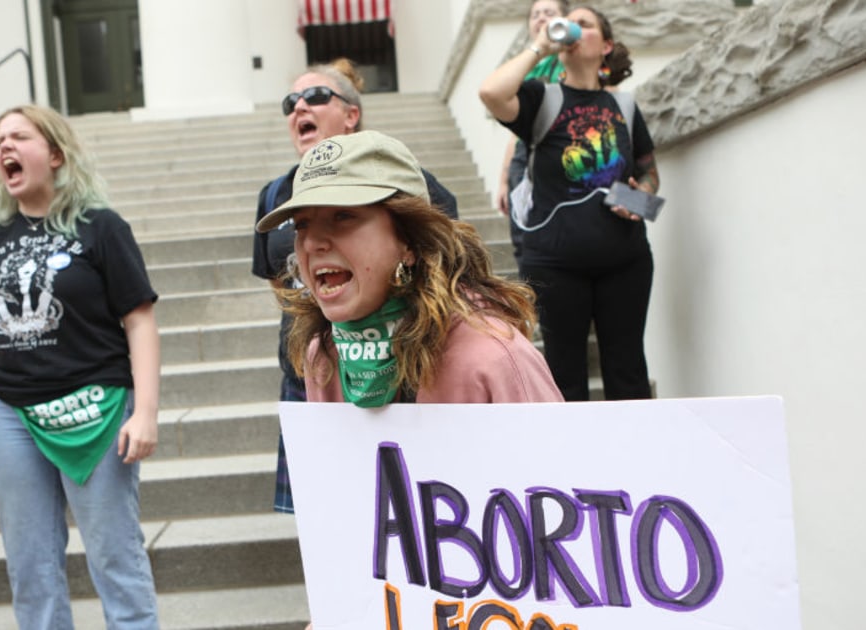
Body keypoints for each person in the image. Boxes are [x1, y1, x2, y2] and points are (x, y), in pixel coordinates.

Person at [0, 104, 161, 629]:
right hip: (15, 414)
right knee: (29, 564)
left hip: (97, 408)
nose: (5, 146)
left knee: (114, 553)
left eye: (19, 137)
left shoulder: (102, 227)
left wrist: (146, 412)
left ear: (57, 155)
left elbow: (139, 321)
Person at [252, 58, 459, 512]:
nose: (299, 106)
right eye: (291, 101)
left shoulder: (405, 182)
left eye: (316, 96)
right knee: (332, 517)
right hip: (316, 371)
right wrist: (319, 326)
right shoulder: (273, 195)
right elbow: (277, 280)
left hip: (401, 368)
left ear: (352, 114)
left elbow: (442, 262)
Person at [256, 130, 563, 406]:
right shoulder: (321, 356)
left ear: (409, 241)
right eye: (302, 225)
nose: (311, 243)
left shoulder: (495, 357)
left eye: (343, 216)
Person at [479, 5, 659, 402]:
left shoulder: (624, 106)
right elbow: (491, 92)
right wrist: (540, 46)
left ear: (606, 45)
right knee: (564, 377)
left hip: (626, 263)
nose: (573, 29)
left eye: (584, 24)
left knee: (628, 372)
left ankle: (634, 444)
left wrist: (641, 196)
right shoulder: (541, 98)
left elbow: (648, 171)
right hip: (555, 266)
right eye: (569, 23)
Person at [495, 0, 570, 265]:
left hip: (561, 151)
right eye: (535, 15)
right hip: (525, 155)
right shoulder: (527, 68)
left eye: (549, 13)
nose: (540, 19)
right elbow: (515, 131)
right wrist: (504, 179)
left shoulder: (573, 59)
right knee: (523, 235)